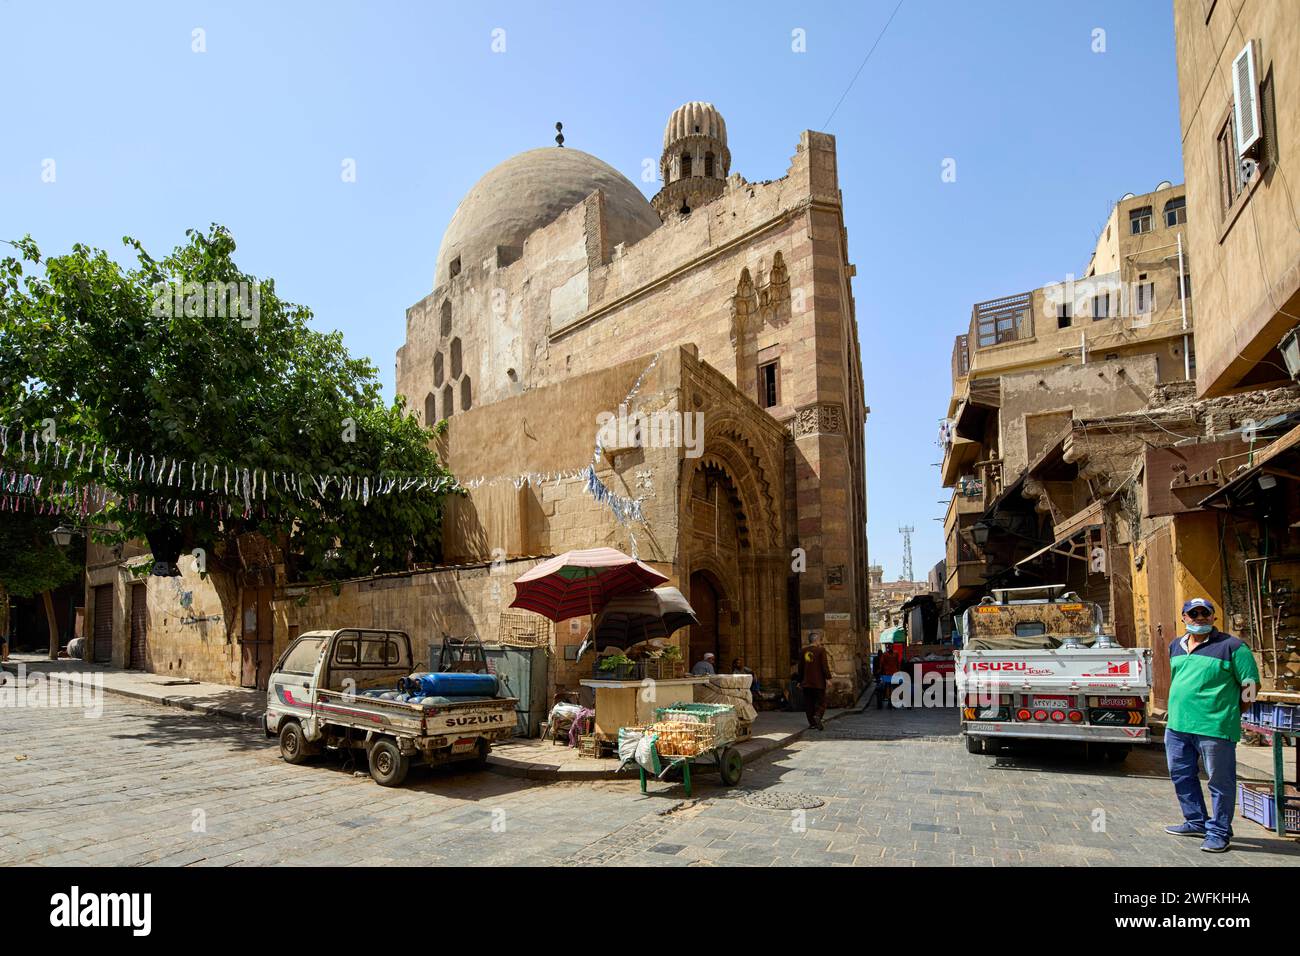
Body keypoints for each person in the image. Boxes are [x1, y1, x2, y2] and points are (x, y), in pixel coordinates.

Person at [1163, 597, 1259, 853]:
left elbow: (1250, 685)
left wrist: (1234, 712)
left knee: (1220, 781)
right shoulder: (1176, 646)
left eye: (1204, 613)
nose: (1199, 618)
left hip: (1215, 728)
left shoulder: (1233, 647)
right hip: (1177, 727)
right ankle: (1195, 821)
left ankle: (1219, 832)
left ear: (1213, 617)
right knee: (1181, 775)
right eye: (1193, 614)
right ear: (1184, 618)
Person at [796, 631, 832, 730]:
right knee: (821, 702)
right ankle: (818, 715)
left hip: (806, 682)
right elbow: (824, 666)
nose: (820, 642)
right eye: (820, 640)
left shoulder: (803, 651)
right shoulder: (821, 651)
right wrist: (828, 678)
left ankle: (812, 723)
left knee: (809, 703)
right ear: (816, 640)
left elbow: (800, 668)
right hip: (818, 682)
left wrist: (799, 681)